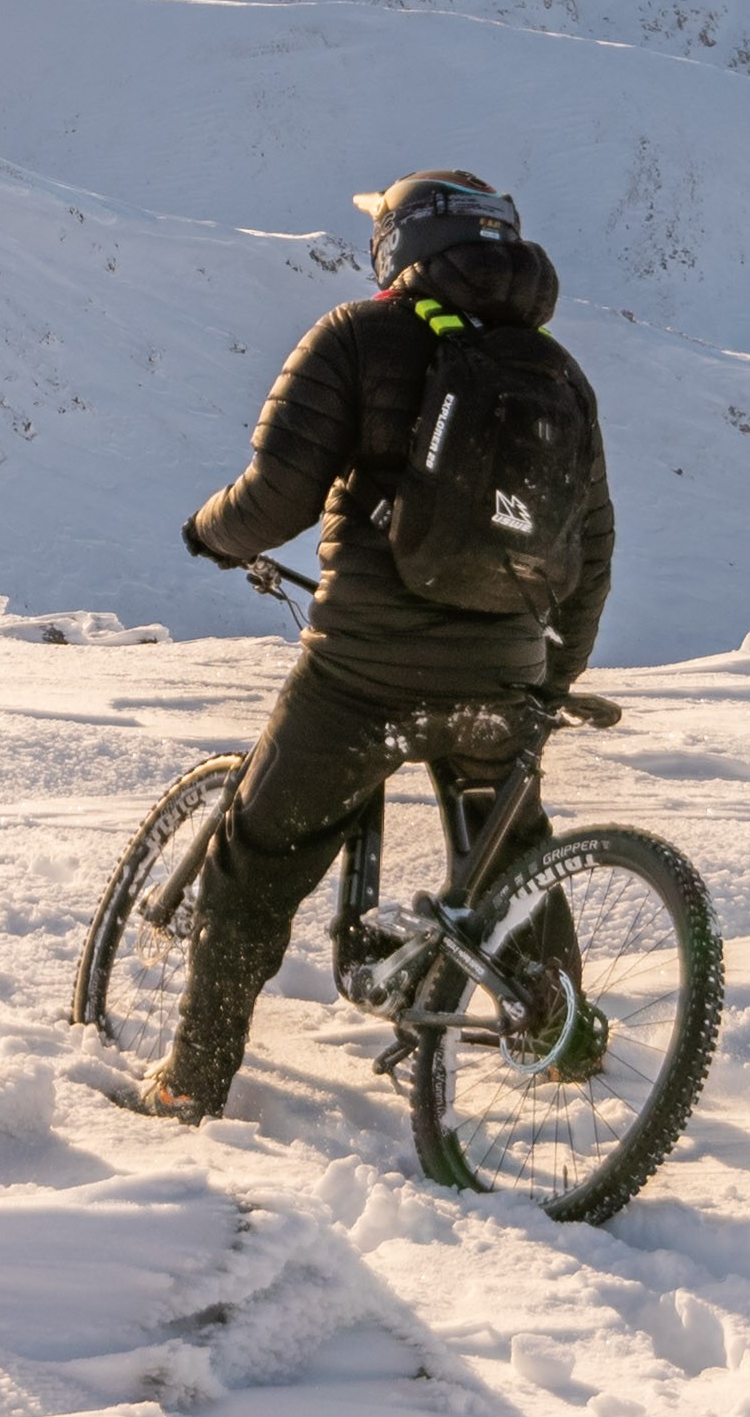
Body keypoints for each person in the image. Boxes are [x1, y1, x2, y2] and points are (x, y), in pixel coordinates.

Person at [124, 168, 616, 1121]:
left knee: (254, 863)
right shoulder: (557, 373)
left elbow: (275, 496)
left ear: (400, 247)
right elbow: (589, 547)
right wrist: (545, 680)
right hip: (502, 674)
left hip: (362, 673)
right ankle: (560, 1038)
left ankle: (190, 1078)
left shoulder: (358, 336)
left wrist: (208, 533)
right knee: (513, 860)